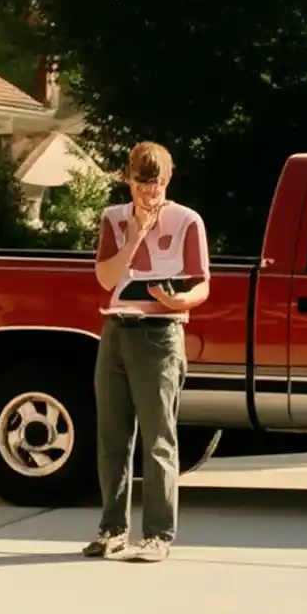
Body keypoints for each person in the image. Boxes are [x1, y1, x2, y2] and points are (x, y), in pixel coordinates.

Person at [82, 141, 211, 563]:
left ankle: (157, 534)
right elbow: (105, 278)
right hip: (116, 329)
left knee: (158, 439)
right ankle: (112, 528)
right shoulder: (113, 220)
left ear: (168, 179)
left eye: (155, 185)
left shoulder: (188, 220)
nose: (149, 194)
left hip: (160, 333)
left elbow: (202, 284)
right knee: (112, 437)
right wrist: (136, 236)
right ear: (128, 178)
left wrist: (178, 300)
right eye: (141, 185)